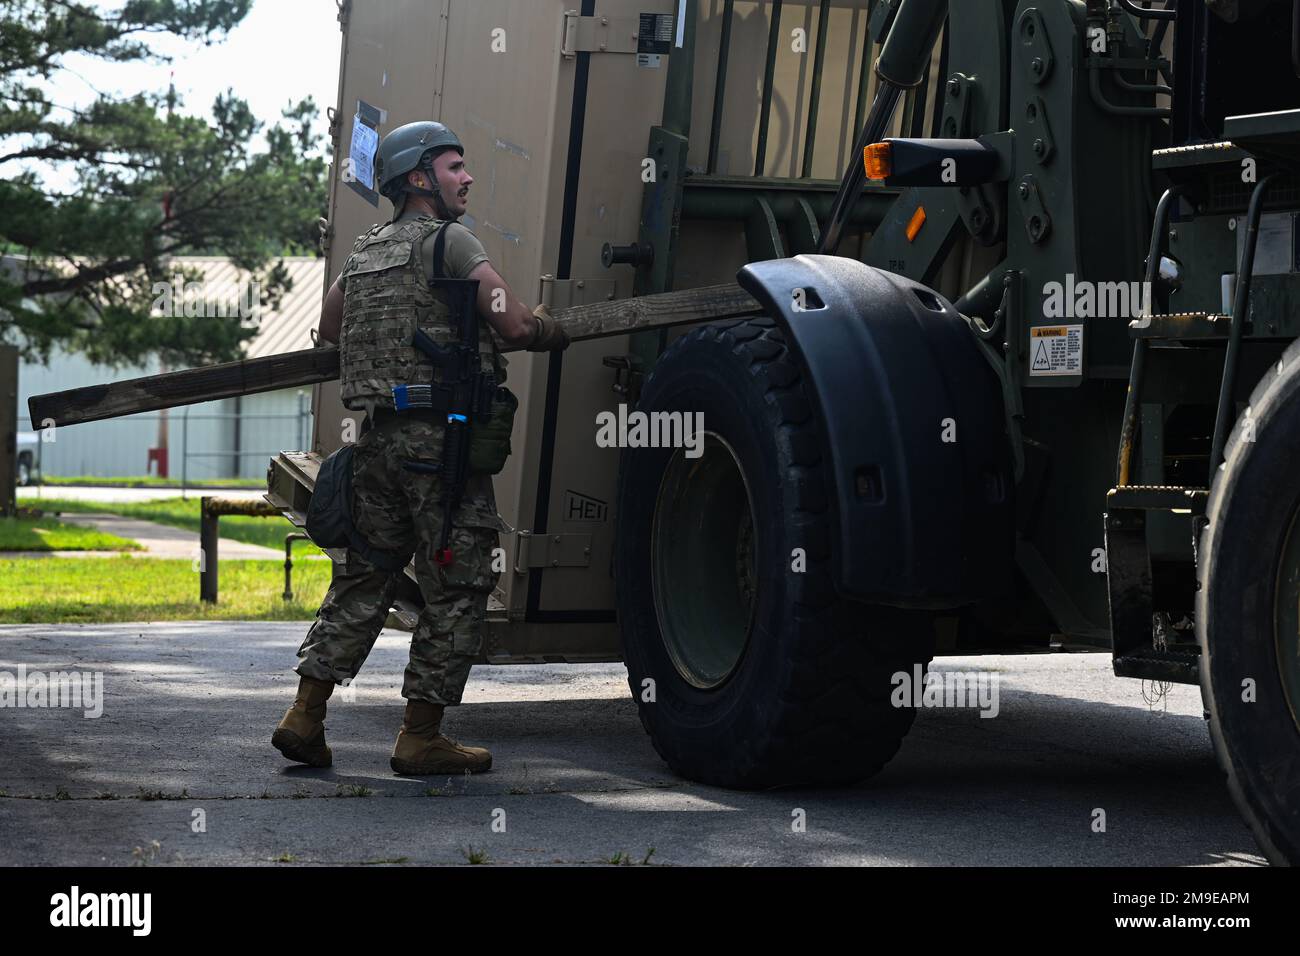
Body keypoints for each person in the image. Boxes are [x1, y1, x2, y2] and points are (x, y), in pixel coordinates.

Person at [272, 120, 569, 775]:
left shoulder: (366, 248)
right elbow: (514, 322)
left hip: (376, 444)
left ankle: (304, 716)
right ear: (418, 178)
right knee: (459, 587)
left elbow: (327, 329)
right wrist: (549, 328)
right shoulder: (451, 243)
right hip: (440, 448)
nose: (466, 178)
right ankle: (420, 736)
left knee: (362, 579)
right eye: (454, 166)